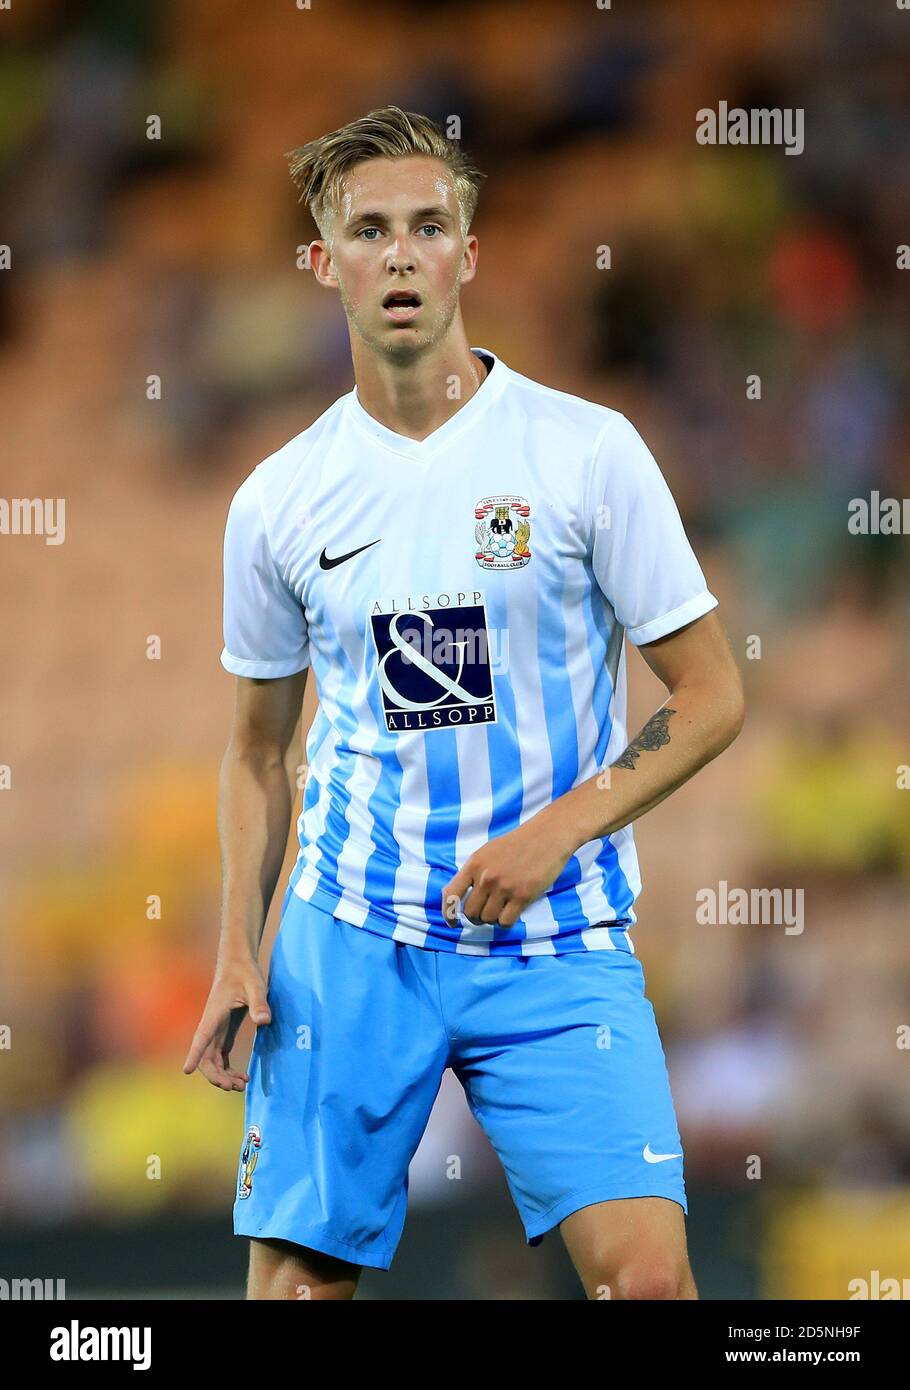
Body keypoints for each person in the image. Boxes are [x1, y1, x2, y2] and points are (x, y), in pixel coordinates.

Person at [183, 105, 745, 1301]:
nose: (401, 253)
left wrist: (557, 832)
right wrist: (237, 945)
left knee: (648, 1285)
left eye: (428, 226)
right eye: (369, 230)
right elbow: (255, 752)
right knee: (290, 1295)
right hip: (351, 936)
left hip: (553, 941)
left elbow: (711, 694)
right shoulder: (279, 500)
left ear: (468, 255)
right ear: (322, 261)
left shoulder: (586, 454)